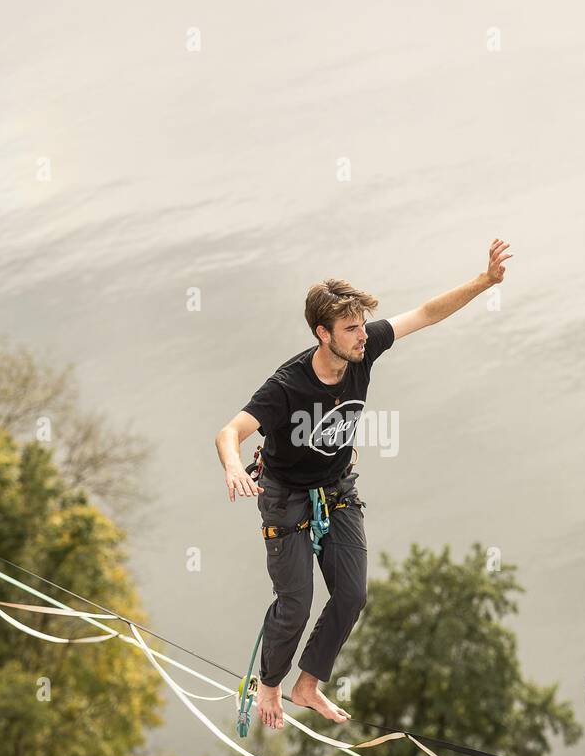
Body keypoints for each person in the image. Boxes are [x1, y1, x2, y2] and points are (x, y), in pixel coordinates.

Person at [214, 239, 513, 730]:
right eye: (350, 329)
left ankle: (307, 684)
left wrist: (484, 281)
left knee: (352, 596)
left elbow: (425, 313)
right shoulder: (286, 386)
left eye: (361, 327)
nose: (361, 337)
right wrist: (231, 466)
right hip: (285, 498)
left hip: (336, 489)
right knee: (295, 604)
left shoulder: (364, 349)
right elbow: (230, 432)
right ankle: (270, 683)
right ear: (322, 333)